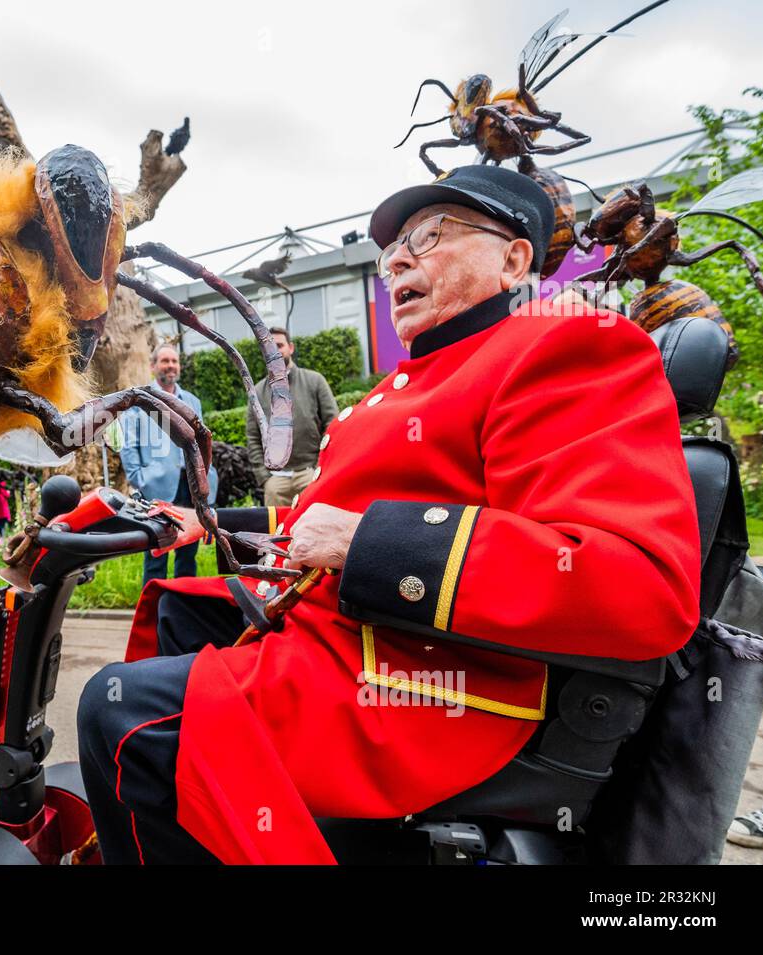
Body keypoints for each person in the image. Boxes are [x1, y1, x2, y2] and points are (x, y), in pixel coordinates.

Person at [77, 165, 702, 864]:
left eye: (429, 236)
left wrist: (366, 540)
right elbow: (327, 523)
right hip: (359, 636)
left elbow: (641, 584)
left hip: (437, 690)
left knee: (117, 707)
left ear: (515, 258)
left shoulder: (568, 345)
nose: (397, 258)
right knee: (176, 610)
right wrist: (214, 522)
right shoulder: (420, 378)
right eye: (392, 249)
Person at [118, 343, 218, 585]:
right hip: (156, 487)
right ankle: (152, 611)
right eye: (165, 361)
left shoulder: (192, 401)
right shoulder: (140, 401)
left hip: (190, 485)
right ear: (153, 366)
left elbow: (202, 441)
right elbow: (128, 445)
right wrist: (139, 479)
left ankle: (182, 607)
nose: (170, 365)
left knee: (188, 552)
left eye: (174, 361)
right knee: (155, 552)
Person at [245, 326, 338, 506]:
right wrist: (265, 478)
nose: (275, 352)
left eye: (279, 345)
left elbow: (333, 425)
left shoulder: (315, 381)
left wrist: (323, 468)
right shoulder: (256, 392)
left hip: (310, 473)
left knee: (315, 529)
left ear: (291, 348)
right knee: (278, 531)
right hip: (276, 481)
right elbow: (253, 437)